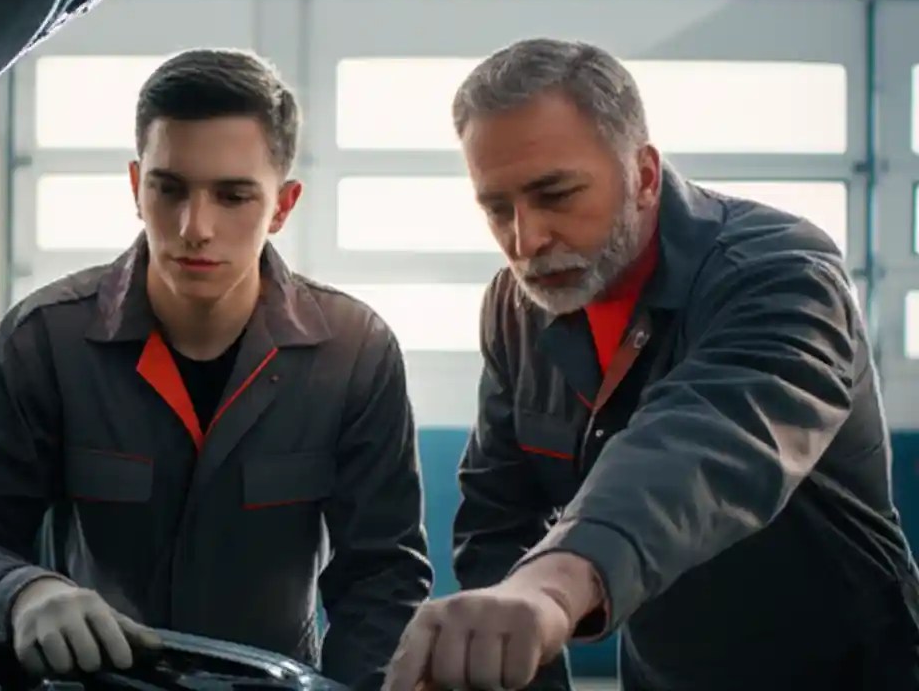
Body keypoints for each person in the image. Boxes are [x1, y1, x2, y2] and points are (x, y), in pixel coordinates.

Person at [384, 38, 919, 691]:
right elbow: (500, 517)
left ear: (642, 173)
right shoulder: (516, 306)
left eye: (555, 194)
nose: (525, 241)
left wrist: (553, 586)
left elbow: (703, 441)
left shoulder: (782, 271)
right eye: (498, 208)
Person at [0, 47, 433, 690]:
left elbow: (382, 577)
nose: (196, 227)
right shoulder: (45, 343)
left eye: (234, 195)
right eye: (170, 188)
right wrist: (24, 590)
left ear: (282, 205)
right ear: (136, 187)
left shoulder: (355, 353)